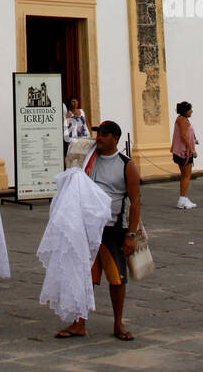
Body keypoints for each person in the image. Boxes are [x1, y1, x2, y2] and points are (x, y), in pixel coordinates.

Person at [55, 119, 140, 342]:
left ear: (115, 138)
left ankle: (118, 323)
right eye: (98, 133)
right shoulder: (88, 158)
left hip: (112, 229)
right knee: (84, 276)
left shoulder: (126, 165)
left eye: (103, 134)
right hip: (87, 227)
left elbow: (135, 202)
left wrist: (131, 235)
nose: (98, 138)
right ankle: (79, 322)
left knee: (117, 278)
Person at [171, 100, 198, 209]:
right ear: (185, 111)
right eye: (190, 109)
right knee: (186, 175)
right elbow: (183, 136)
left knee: (184, 175)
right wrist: (192, 150)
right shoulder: (183, 121)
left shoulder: (181, 119)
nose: (191, 111)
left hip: (182, 151)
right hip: (184, 152)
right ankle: (182, 199)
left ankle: (183, 197)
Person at [63, 94, 90, 161]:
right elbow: (67, 127)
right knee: (76, 157)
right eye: (73, 101)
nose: (75, 103)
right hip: (74, 139)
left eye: (76, 101)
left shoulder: (82, 111)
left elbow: (87, 123)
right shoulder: (68, 114)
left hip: (85, 137)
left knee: (85, 156)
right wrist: (67, 118)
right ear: (70, 103)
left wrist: (90, 134)